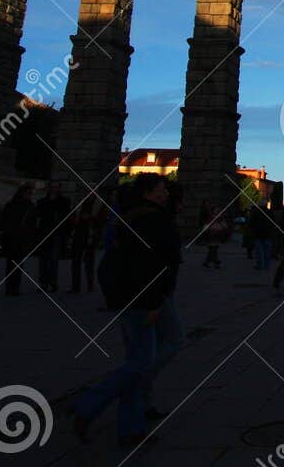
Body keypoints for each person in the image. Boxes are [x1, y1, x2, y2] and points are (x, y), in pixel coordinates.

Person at [74, 174, 181, 446]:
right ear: (149, 192)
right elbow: (146, 264)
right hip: (144, 297)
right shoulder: (148, 219)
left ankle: (131, 425)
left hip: (140, 295)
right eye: (162, 188)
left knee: (144, 356)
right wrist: (154, 301)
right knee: (144, 358)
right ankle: (90, 404)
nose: (167, 192)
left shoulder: (138, 215)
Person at [0, 184, 37, 295]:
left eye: (30, 193)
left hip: (18, 238)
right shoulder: (23, 206)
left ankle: (12, 287)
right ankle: (12, 287)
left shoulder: (27, 206)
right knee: (14, 263)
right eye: (28, 193)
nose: (30, 195)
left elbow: (32, 224)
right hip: (15, 238)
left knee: (14, 263)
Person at [36, 184, 68, 292]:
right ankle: (43, 283)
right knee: (44, 259)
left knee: (53, 260)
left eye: (56, 187)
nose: (54, 189)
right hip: (44, 233)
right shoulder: (42, 202)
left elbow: (66, 217)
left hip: (56, 233)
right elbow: (38, 215)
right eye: (52, 187)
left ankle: (53, 282)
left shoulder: (64, 201)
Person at [68, 201, 102, 294]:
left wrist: (91, 217)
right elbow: (73, 215)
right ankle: (75, 286)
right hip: (78, 234)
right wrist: (74, 218)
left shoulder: (98, 204)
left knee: (89, 262)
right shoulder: (80, 201)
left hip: (90, 235)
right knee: (76, 261)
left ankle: (89, 285)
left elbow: (101, 219)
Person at [198, 200, 228, 268]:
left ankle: (207, 262)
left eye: (218, 210)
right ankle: (215, 262)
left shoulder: (219, 217)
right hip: (211, 234)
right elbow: (207, 224)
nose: (217, 211)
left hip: (217, 234)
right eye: (216, 210)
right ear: (213, 210)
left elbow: (223, 225)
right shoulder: (211, 217)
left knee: (214, 249)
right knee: (213, 249)